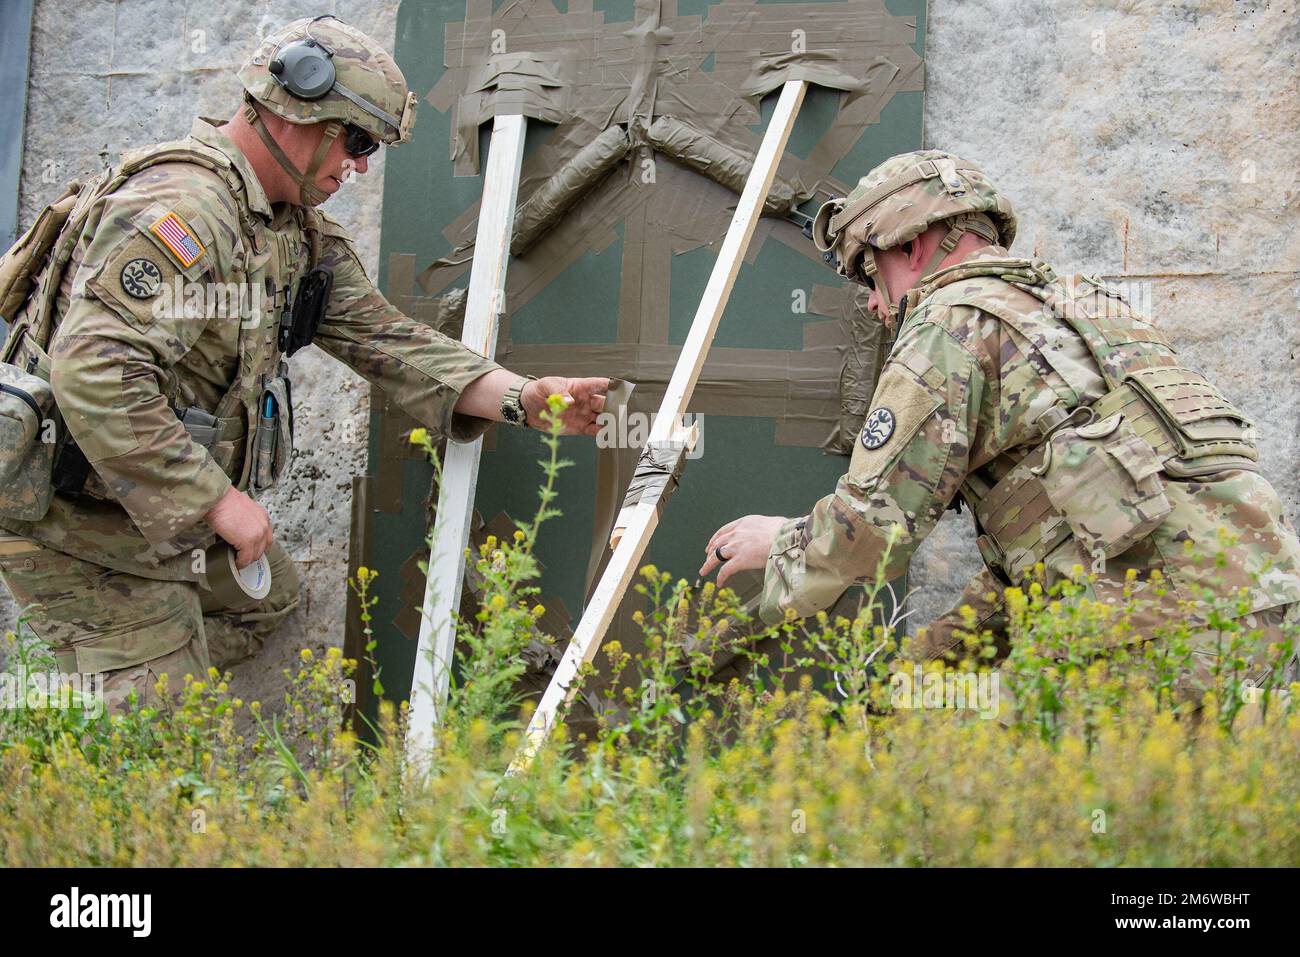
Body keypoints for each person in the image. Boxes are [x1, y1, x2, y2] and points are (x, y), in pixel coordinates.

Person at [0, 16, 609, 712]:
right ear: (298, 110)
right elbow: (94, 373)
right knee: (154, 748)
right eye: (356, 140)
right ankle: (105, 698)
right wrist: (216, 500)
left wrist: (525, 399)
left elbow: (387, 340)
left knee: (263, 601)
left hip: (148, 513)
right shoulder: (184, 213)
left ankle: (105, 685)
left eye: (371, 148)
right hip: (76, 522)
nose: (359, 166)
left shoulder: (289, 228)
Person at [700, 149, 1300, 689]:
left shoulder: (948, 327)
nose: (873, 303)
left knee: (1024, 800)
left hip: (1151, 634)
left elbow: (873, 530)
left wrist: (780, 540)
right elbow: (1064, 537)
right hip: (1262, 608)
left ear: (911, 244)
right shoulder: (1089, 306)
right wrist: (929, 669)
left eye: (868, 273)